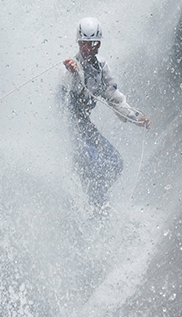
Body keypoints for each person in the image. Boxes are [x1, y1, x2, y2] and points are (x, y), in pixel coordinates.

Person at [60, 17, 150, 204]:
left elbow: (114, 97)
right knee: (97, 163)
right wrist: (70, 71)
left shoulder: (101, 67)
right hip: (67, 128)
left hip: (84, 125)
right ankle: (91, 200)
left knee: (116, 163)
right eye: (83, 44)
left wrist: (135, 118)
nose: (87, 49)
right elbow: (62, 84)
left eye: (91, 44)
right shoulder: (70, 65)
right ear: (78, 43)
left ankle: (95, 197)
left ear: (98, 44)